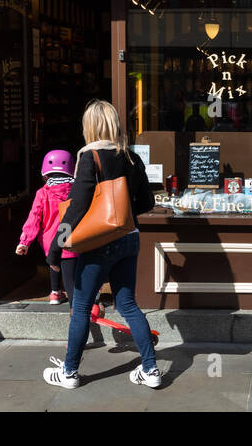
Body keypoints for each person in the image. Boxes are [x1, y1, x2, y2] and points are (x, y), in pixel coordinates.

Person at [43, 100, 161, 391]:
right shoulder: (132, 157)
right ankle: (151, 369)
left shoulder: (90, 157)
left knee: (81, 307)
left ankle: (70, 373)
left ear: (90, 127)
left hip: (99, 244)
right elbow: (147, 202)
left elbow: (77, 207)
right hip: (129, 238)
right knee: (128, 304)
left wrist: (57, 247)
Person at [16, 149, 78, 304]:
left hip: (49, 239)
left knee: (54, 262)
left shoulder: (42, 193)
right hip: (72, 236)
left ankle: (55, 293)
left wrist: (25, 241)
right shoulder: (77, 191)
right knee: (70, 267)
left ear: (45, 174)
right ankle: (75, 299)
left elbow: (34, 218)